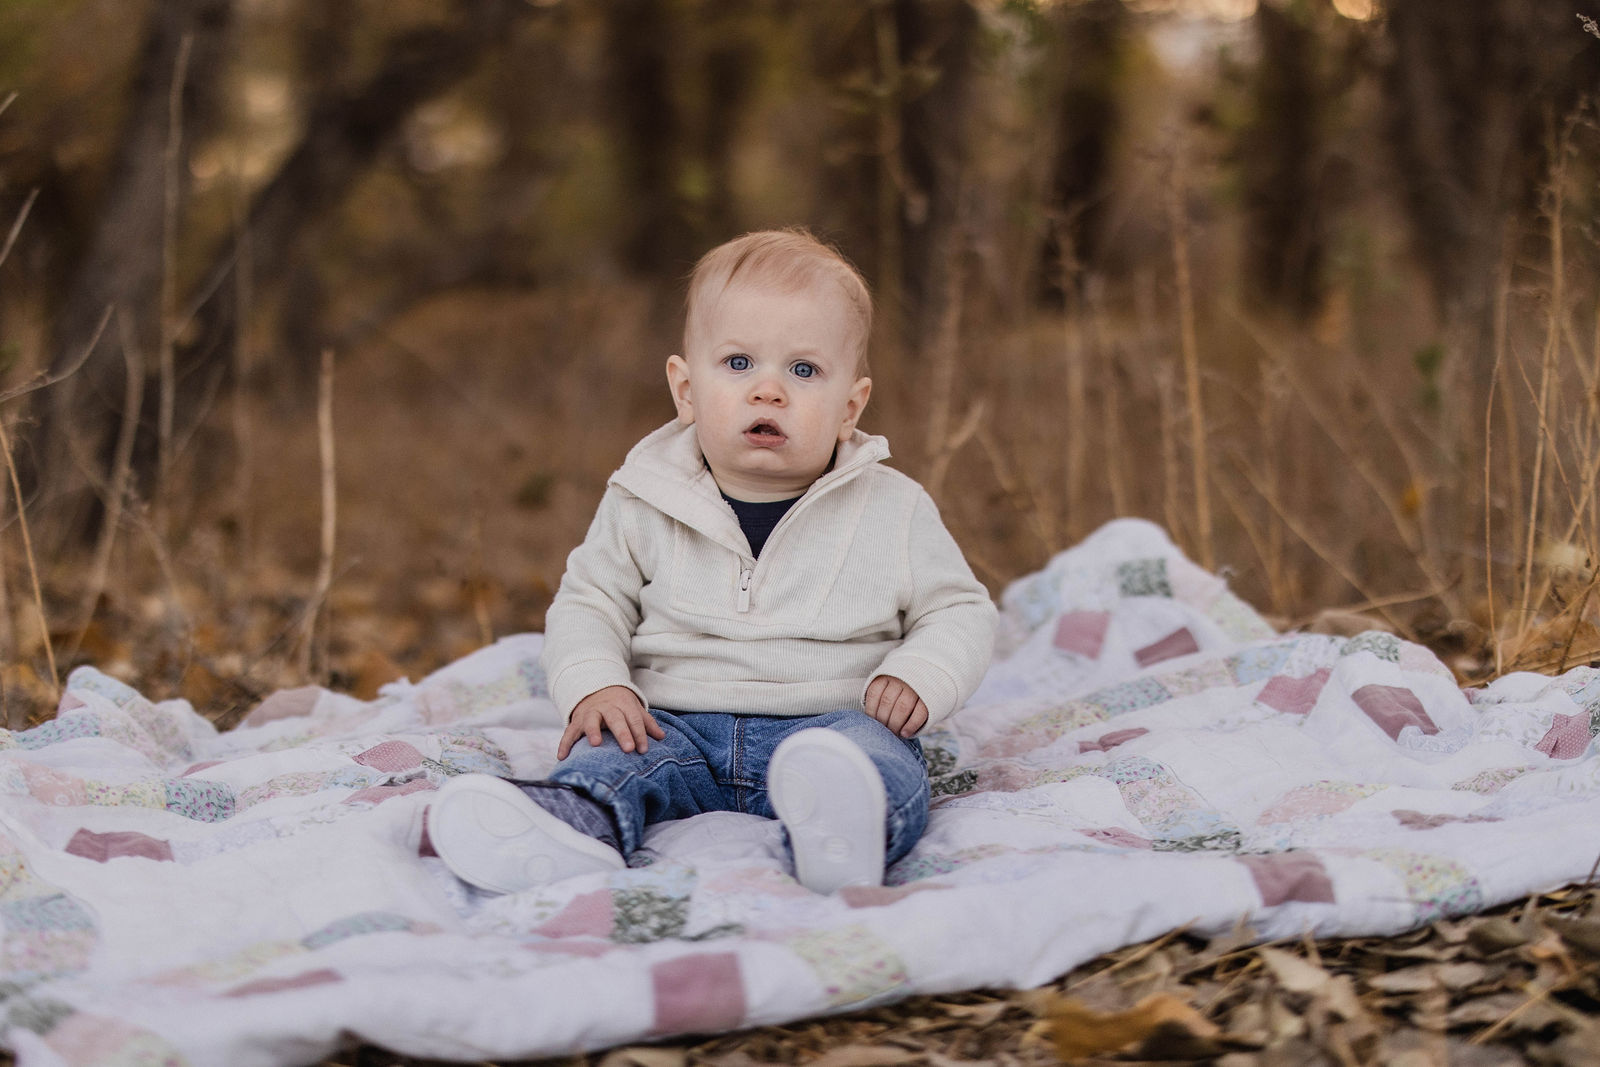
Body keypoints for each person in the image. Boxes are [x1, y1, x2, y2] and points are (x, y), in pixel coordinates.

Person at [428, 229, 997, 895]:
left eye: (804, 370)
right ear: (686, 388)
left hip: (833, 720)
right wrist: (596, 684)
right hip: (672, 722)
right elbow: (591, 603)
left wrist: (922, 672)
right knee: (610, 757)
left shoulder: (893, 509)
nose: (768, 390)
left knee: (878, 764)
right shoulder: (643, 497)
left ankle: (841, 833)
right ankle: (575, 825)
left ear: (850, 406)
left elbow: (959, 608)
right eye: (737, 363)